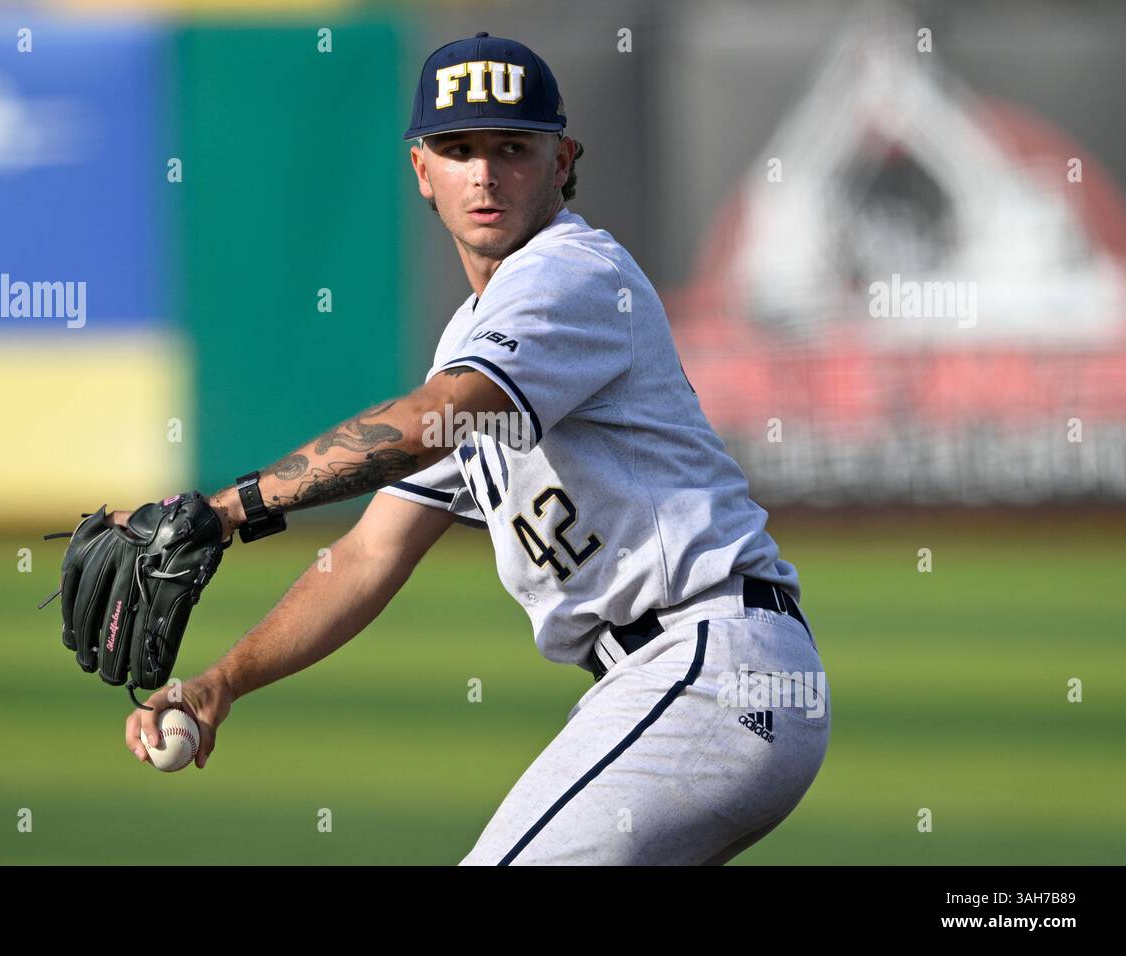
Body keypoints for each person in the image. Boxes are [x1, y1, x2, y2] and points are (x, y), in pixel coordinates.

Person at [119, 32, 830, 865]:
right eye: (459, 150)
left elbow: (431, 418)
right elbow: (366, 556)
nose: (485, 175)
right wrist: (221, 682)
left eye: (512, 148)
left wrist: (232, 505)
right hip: (688, 682)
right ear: (422, 170)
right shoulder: (475, 337)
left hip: (707, 668)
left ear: (563, 160)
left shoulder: (570, 274)